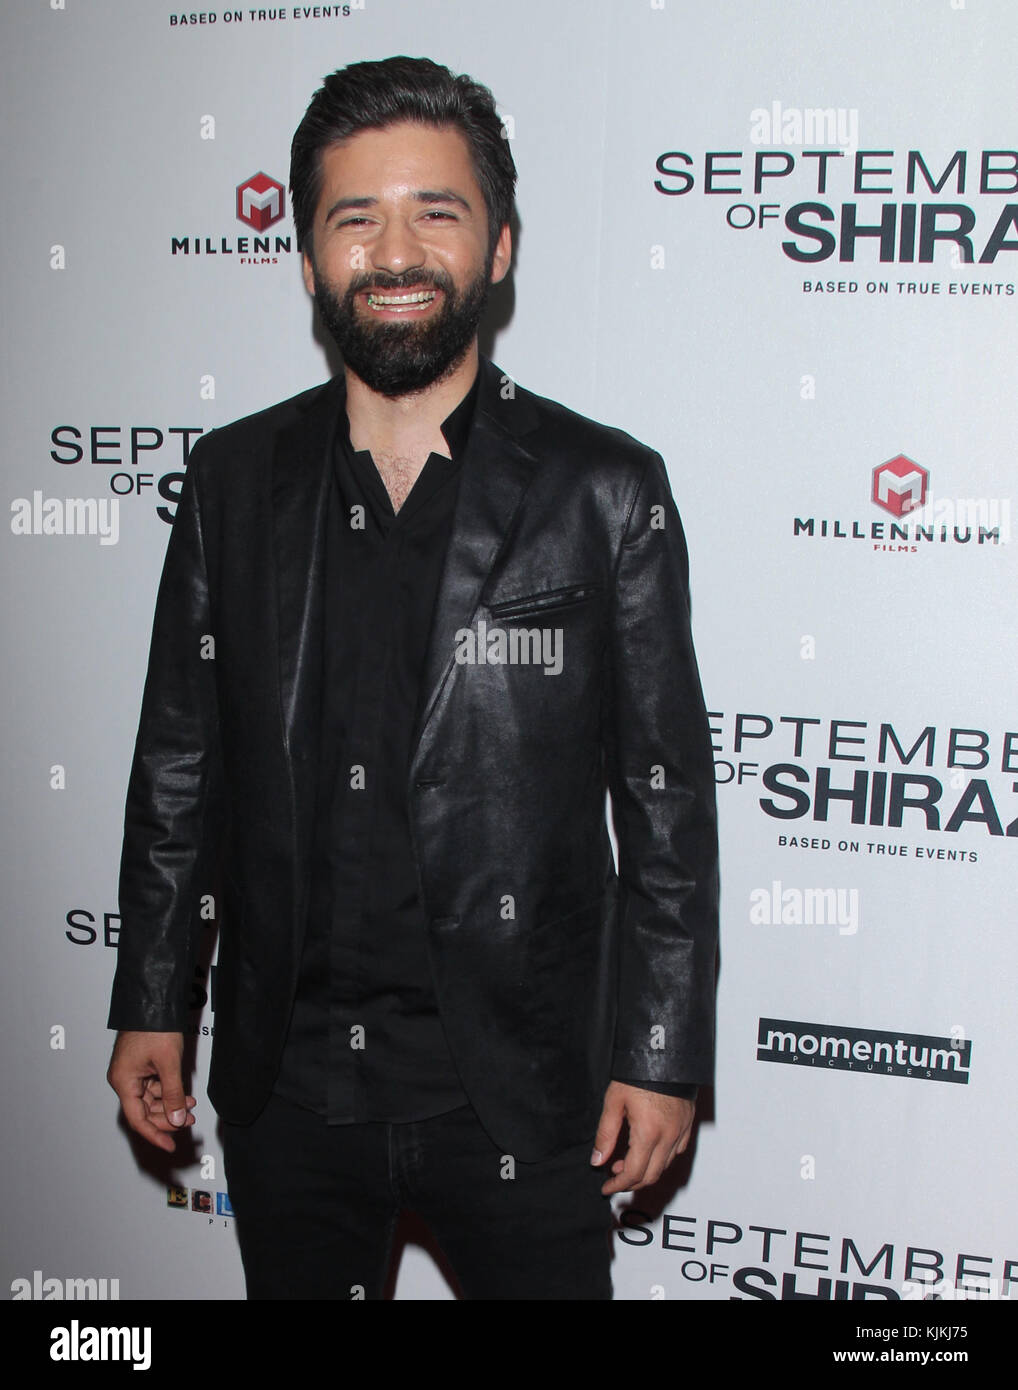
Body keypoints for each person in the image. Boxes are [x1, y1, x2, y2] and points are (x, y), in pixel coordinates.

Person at [107, 55, 719, 1301]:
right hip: (292, 1094)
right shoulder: (231, 481)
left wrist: (658, 1050)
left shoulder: (602, 490)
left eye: (435, 213)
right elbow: (183, 763)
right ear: (307, 259)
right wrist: (152, 998)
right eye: (355, 218)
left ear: (496, 248)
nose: (395, 252)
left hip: (522, 1088)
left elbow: (664, 801)